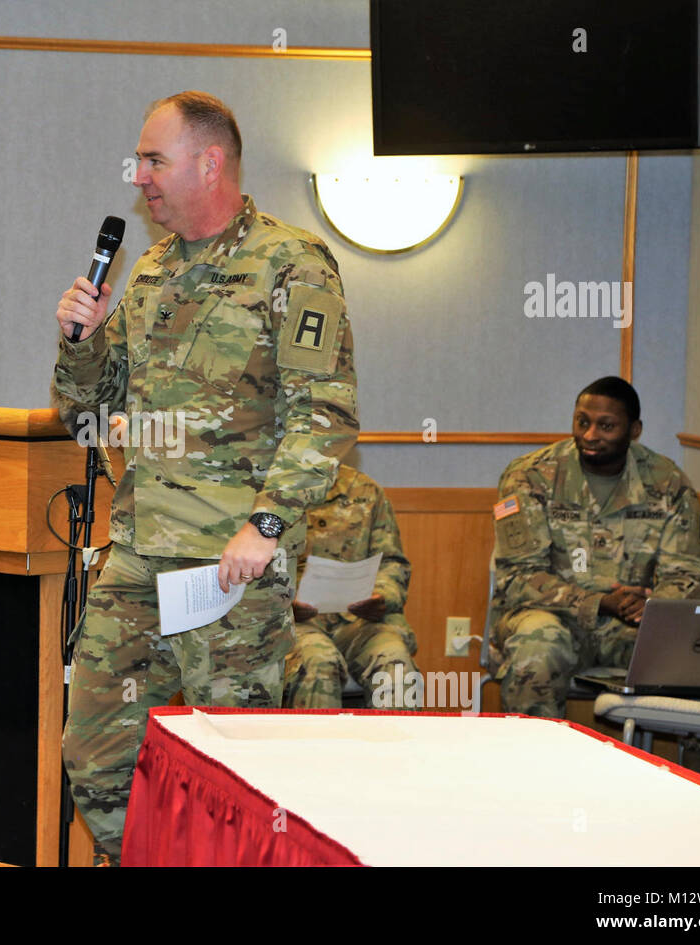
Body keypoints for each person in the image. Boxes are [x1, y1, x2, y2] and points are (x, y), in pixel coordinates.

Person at [52, 91, 358, 864]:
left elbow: (324, 415)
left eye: (154, 159)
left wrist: (267, 526)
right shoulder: (152, 270)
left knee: (236, 773)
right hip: (137, 558)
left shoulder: (291, 263)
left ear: (209, 162)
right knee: (97, 755)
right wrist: (81, 342)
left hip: (230, 568)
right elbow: (82, 412)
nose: (140, 176)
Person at [490, 376, 700, 718]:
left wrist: (651, 605)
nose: (590, 435)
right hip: (547, 616)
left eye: (606, 426)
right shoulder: (530, 476)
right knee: (539, 645)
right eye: (582, 422)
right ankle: (533, 763)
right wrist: (599, 603)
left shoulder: (668, 483)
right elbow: (518, 578)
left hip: (628, 626)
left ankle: (694, 772)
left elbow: (688, 573)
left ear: (634, 430)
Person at [282, 466, 420, 710]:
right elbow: (242, 571)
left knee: (395, 664)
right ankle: (317, 749)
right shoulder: (271, 489)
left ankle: (395, 748)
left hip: (359, 621)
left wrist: (381, 597)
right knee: (318, 662)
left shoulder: (365, 490)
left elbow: (392, 563)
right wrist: (282, 605)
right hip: (293, 625)